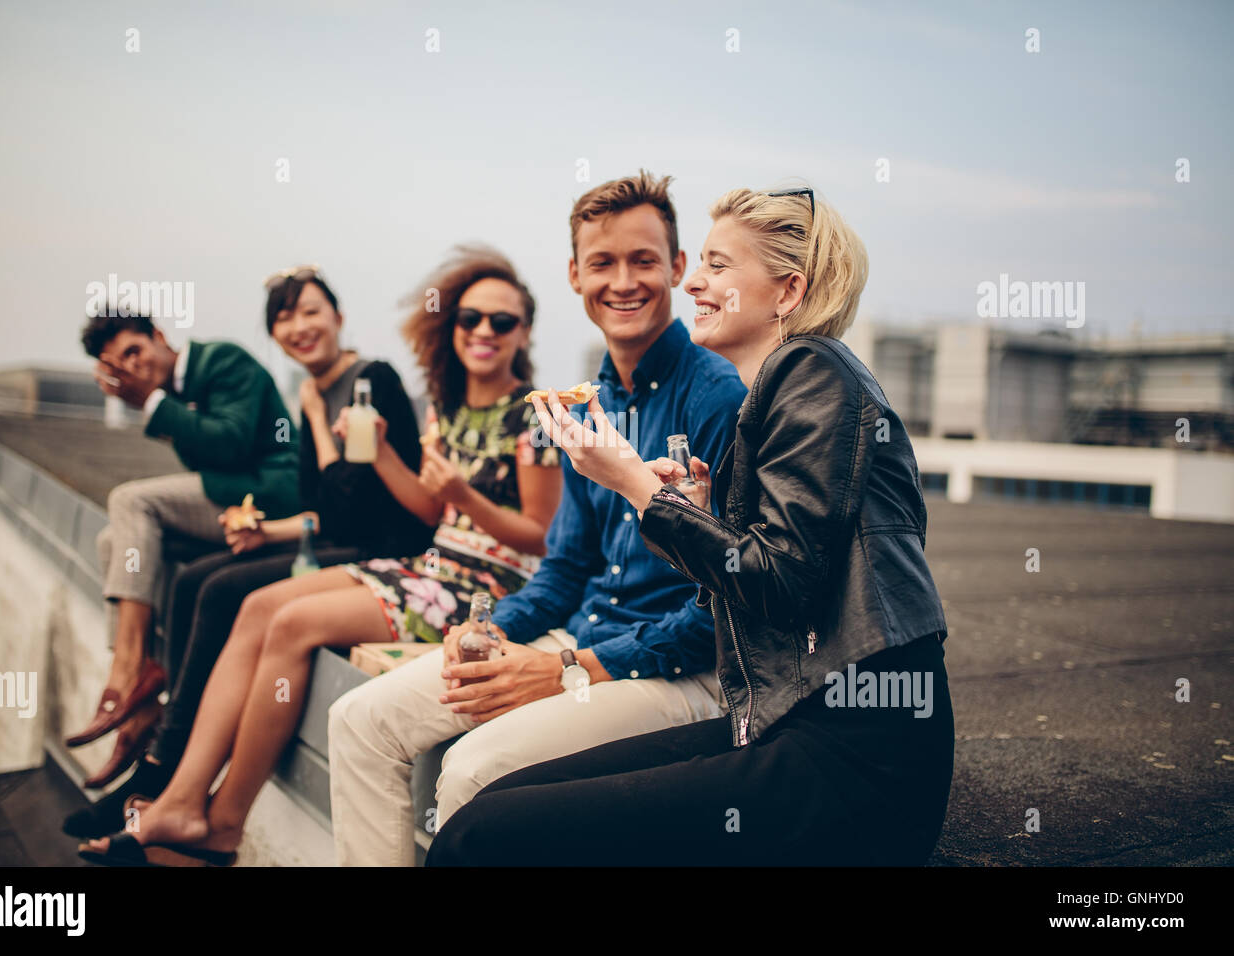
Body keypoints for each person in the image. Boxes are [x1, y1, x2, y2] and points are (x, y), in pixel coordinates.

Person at [427, 183, 955, 867]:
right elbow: (767, 578)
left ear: (789, 291)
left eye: (718, 265)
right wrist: (698, 514)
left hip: (855, 752)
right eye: (700, 262)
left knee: (479, 836)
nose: (694, 282)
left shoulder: (814, 372)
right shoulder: (776, 396)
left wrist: (634, 483)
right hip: (782, 717)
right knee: (495, 803)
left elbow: (780, 583)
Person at [78, 246, 561, 865]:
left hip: (485, 589)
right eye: (470, 318)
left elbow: (540, 536)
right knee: (257, 606)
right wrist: (383, 452)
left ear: (525, 332)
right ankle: (180, 799)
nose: (484, 331)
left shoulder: (536, 414)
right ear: (453, 327)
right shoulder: (446, 406)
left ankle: (222, 823)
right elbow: (428, 511)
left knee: (293, 623)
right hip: (431, 566)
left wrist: (464, 496)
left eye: (502, 320)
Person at [325, 171, 748, 866]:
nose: (623, 282)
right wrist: (490, 627)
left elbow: (724, 610)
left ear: (677, 267)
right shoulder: (587, 402)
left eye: (643, 260)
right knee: (360, 719)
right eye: (602, 263)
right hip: (581, 637)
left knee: (472, 771)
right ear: (575, 275)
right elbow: (564, 569)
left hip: (676, 672)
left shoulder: (716, 397)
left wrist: (566, 669)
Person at [62, 267, 433, 837]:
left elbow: (350, 504)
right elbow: (318, 507)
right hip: (333, 539)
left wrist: (316, 418)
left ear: (338, 316)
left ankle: (161, 769)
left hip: (377, 553)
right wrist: (269, 533)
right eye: (284, 319)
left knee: (221, 590)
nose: (299, 326)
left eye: (310, 311)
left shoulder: (370, 380)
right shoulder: (313, 390)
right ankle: (160, 753)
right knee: (192, 579)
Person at [67, 312, 301, 755]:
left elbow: (230, 444)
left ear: (159, 335)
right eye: (120, 365)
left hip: (272, 494)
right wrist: (157, 404)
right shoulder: (174, 391)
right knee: (113, 541)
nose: (132, 367)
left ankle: (127, 669)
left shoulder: (222, 360)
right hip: (231, 495)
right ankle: (143, 698)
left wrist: (152, 404)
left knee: (130, 501)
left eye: (134, 352)